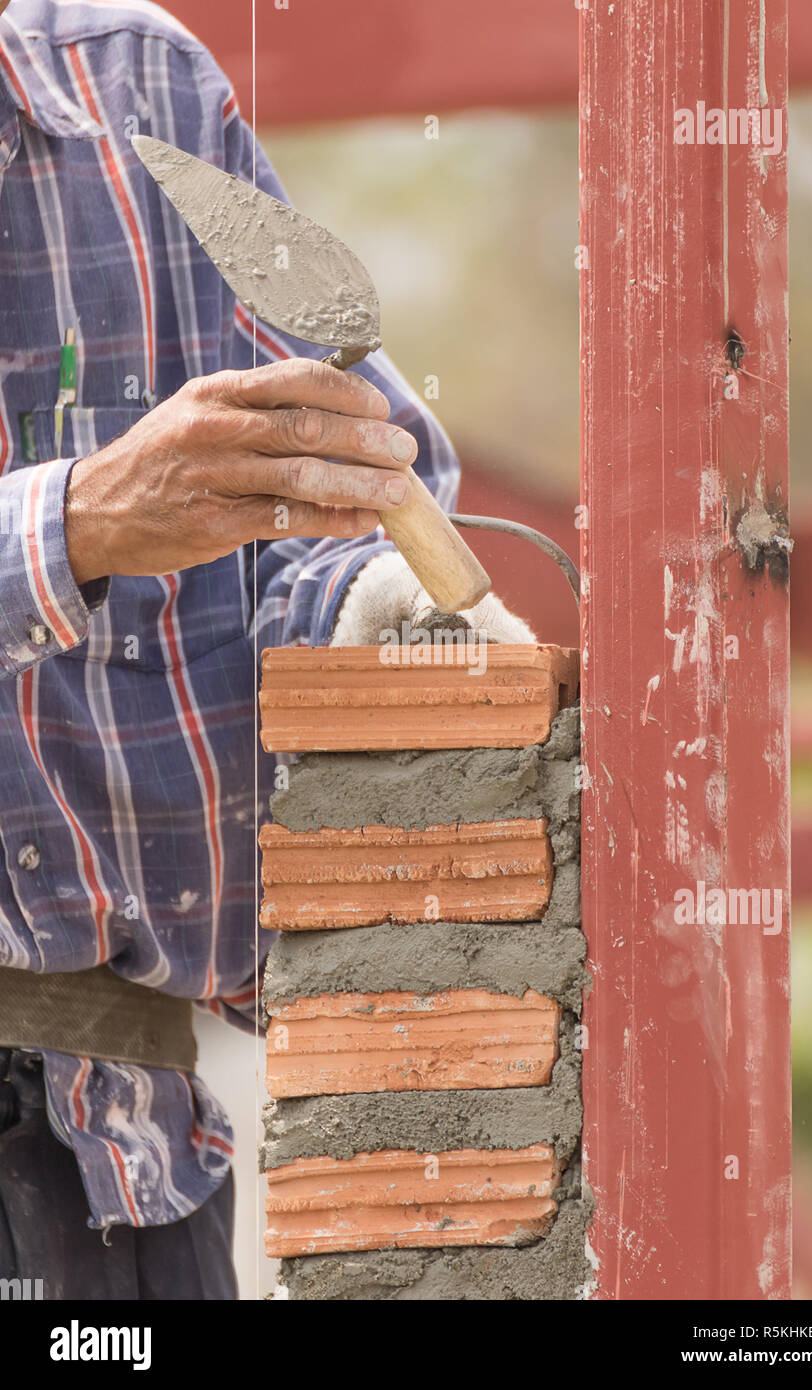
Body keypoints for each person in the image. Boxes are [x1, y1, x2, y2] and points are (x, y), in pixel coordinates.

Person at [0, 0, 531, 1298]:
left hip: (123, 1154)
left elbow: (341, 497)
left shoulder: (139, 84)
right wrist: (69, 523)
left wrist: (381, 615)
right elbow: (104, 515)